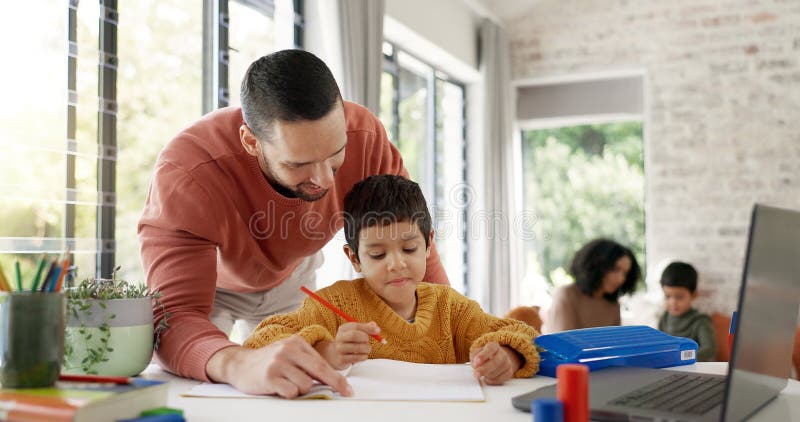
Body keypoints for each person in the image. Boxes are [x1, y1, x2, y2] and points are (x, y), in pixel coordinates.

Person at [137, 50, 450, 397]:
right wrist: (238, 363)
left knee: (295, 390)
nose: (324, 181)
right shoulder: (187, 172)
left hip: (294, 275)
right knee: (203, 386)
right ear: (251, 142)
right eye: (298, 164)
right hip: (214, 286)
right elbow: (174, 317)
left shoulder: (365, 136)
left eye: (335, 157)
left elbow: (412, 240)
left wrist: (450, 330)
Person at [243, 175, 539, 396]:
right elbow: (260, 342)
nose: (396, 264)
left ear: (428, 244)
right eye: (378, 254)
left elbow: (520, 334)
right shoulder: (334, 305)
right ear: (355, 258)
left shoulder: (451, 308)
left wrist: (507, 358)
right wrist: (326, 351)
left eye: (409, 249)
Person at [543, 238, 641, 333]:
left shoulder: (613, 305)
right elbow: (560, 345)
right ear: (596, 265)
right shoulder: (567, 294)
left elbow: (614, 345)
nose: (621, 279)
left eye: (625, 273)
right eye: (615, 269)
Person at [657, 261, 716, 361]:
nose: (673, 302)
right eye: (667, 296)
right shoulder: (664, 318)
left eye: (679, 297)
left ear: (694, 295)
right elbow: (658, 343)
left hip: (696, 368)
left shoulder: (701, 321)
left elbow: (709, 349)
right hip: (671, 367)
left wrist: (682, 358)